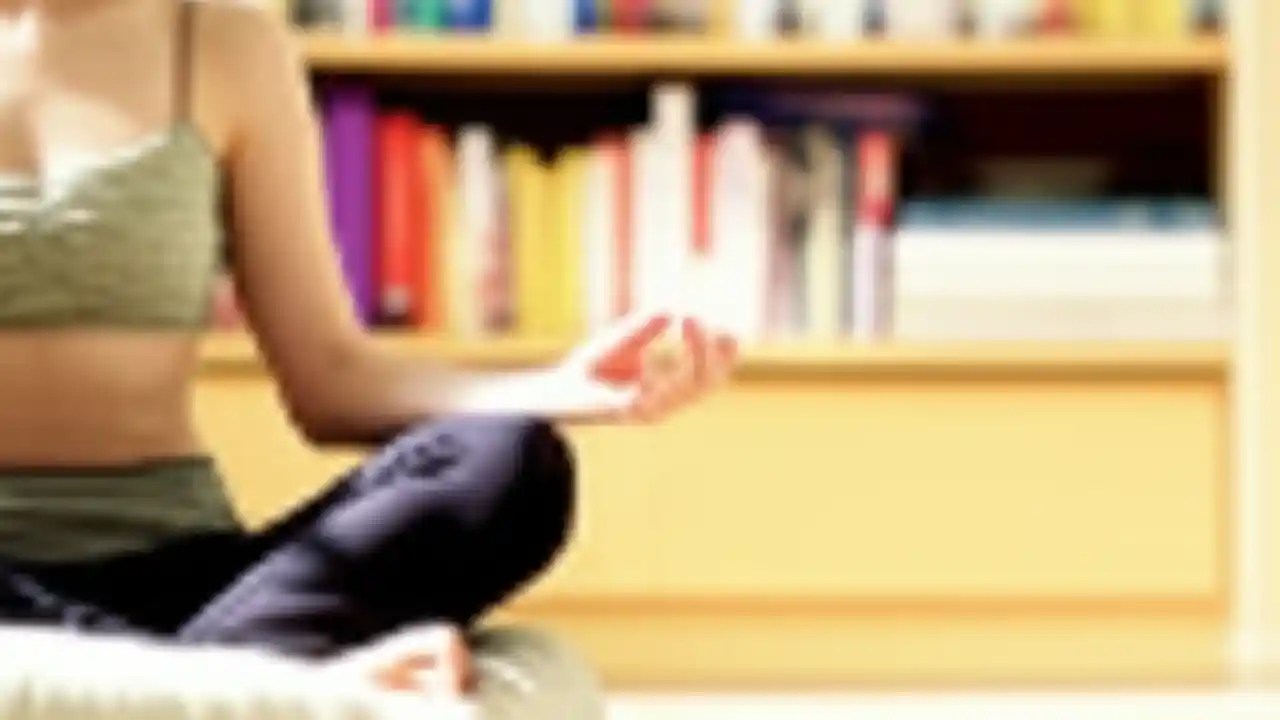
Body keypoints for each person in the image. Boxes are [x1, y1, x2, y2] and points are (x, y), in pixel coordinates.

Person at [0, 0, 737, 697]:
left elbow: (330, 378)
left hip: (198, 578)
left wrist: (556, 385)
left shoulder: (229, 45)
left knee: (508, 461)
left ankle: (196, 682)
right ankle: (256, 677)